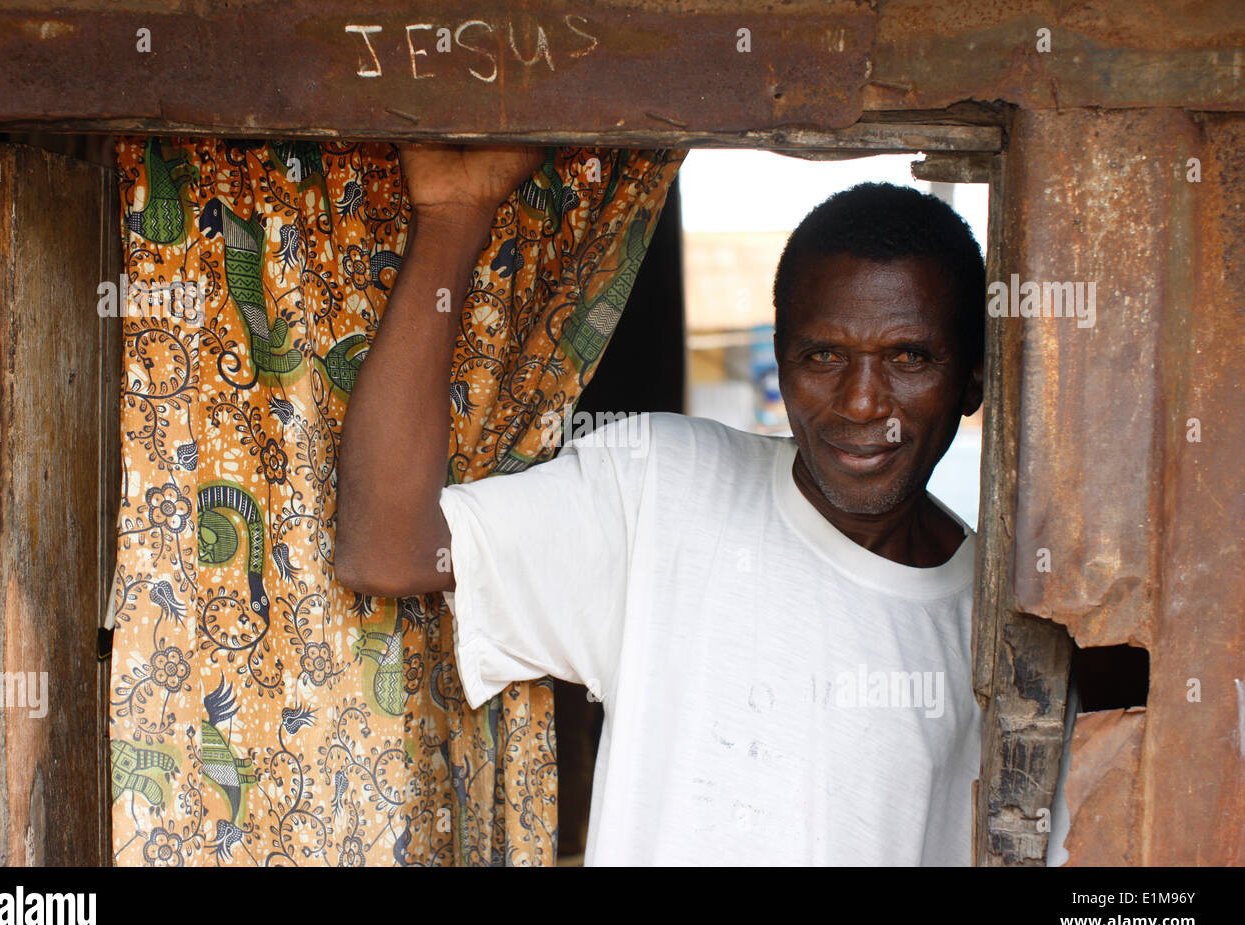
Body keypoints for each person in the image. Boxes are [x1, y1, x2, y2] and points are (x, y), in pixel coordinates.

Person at [335, 144, 987, 866]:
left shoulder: (999, 624)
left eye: (909, 358)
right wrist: (454, 216)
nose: (863, 403)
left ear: (973, 380)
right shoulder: (663, 490)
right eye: (823, 356)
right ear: (781, 356)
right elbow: (388, 546)